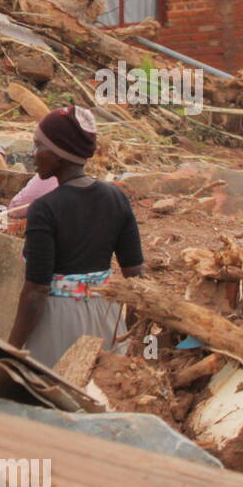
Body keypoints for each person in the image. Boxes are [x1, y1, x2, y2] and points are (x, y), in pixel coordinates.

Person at [8, 105, 144, 366]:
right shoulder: (116, 198)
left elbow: (36, 289)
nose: (33, 154)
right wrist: (131, 331)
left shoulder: (44, 209)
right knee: (100, 392)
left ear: (59, 154)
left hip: (59, 323)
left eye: (38, 146)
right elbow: (135, 274)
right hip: (107, 316)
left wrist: (9, 348)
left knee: (55, 393)